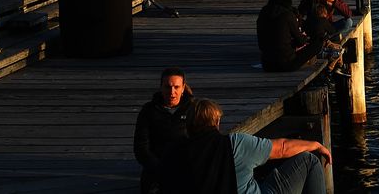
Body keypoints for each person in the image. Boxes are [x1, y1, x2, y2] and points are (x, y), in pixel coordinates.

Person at [159, 98, 330, 194]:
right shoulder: (234, 143)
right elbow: (282, 148)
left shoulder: (174, 153)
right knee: (309, 161)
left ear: (189, 125)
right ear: (216, 122)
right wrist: (315, 144)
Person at [134, 67, 195, 194]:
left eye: (176, 87)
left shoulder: (193, 109)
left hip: (186, 168)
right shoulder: (148, 111)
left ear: (183, 88)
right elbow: (141, 147)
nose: (172, 92)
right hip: (156, 168)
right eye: (167, 87)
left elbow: (202, 141)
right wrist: (160, 168)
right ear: (161, 87)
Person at [257, 0, 324, 73]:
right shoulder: (288, 14)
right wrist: (304, 36)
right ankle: (310, 61)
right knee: (318, 43)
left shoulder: (263, 13)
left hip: (267, 65)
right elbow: (301, 41)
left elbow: (261, 45)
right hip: (287, 64)